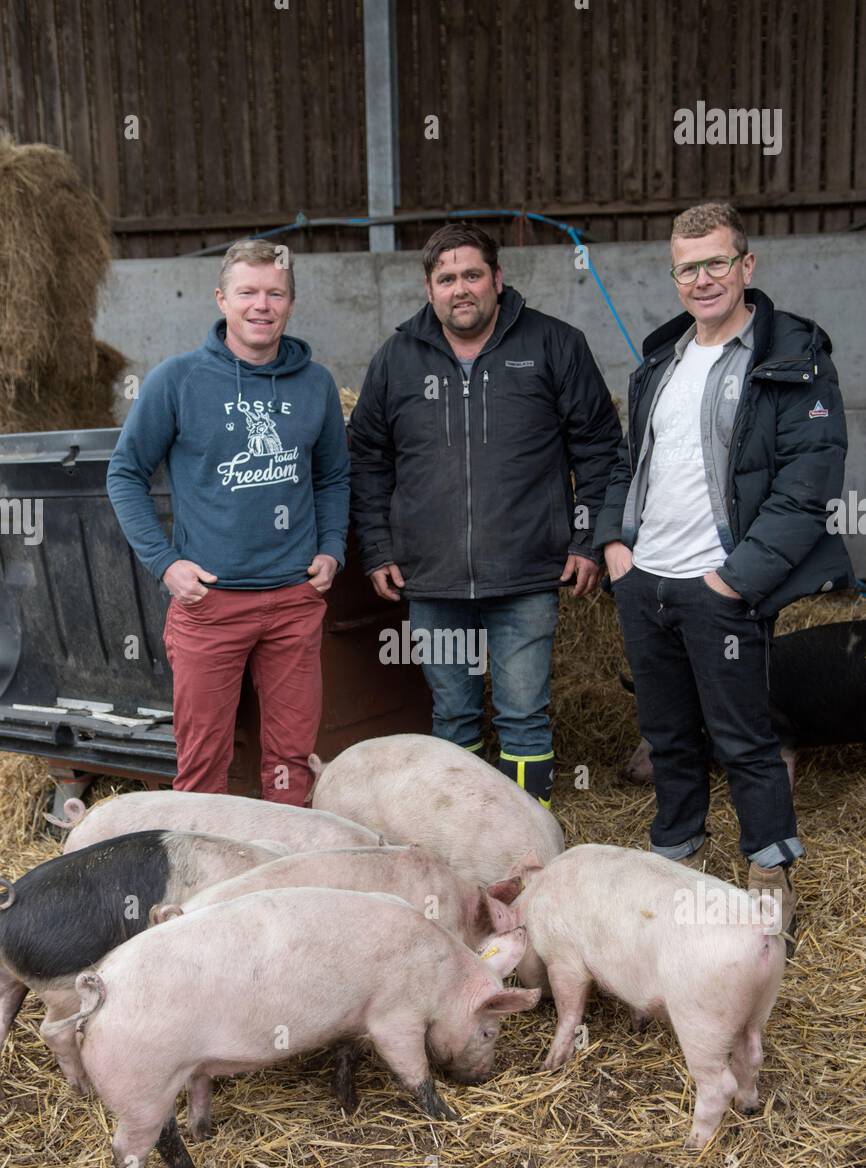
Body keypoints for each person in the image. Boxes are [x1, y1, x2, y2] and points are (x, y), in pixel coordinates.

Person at [594, 201, 853, 941]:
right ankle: (677, 859)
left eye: (715, 262)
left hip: (720, 585)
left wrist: (735, 580)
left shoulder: (793, 357)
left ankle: (769, 873)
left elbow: (809, 484)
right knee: (668, 733)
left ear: (747, 265)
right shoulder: (661, 361)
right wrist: (617, 547)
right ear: (673, 275)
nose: (701, 279)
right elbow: (626, 461)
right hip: (647, 584)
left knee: (745, 738)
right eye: (687, 267)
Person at [349, 222, 622, 806]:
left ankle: (530, 839)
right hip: (432, 577)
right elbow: (367, 460)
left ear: (497, 279)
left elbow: (599, 448)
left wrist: (585, 541)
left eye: (472, 274)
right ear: (429, 289)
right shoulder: (397, 358)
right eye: (446, 278)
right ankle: (463, 841)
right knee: (452, 718)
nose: (460, 289)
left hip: (526, 573)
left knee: (524, 715)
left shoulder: (555, 345)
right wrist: (376, 547)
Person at [107, 240, 350, 804]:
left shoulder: (316, 384)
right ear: (222, 299)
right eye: (247, 292)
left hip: (294, 600)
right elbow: (124, 475)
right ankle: (202, 884)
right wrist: (166, 565)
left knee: (293, 762)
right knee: (202, 765)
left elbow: (335, 477)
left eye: (275, 293)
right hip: (209, 605)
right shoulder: (177, 381)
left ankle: (286, 875)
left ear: (290, 304)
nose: (261, 305)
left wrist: (333, 547)